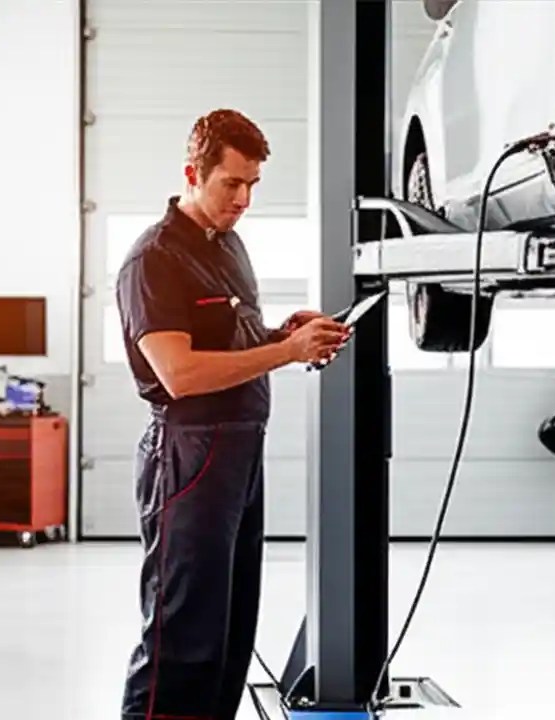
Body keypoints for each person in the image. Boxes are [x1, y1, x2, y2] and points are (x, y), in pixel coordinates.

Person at [115, 108, 349, 720]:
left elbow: (230, 341)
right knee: (181, 637)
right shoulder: (156, 259)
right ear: (194, 173)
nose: (243, 199)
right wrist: (285, 352)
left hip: (239, 455)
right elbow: (181, 373)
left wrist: (282, 333)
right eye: (231, 184)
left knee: (229, 630)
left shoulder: (229, 245)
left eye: (252, 186)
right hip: (188, 456)